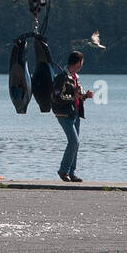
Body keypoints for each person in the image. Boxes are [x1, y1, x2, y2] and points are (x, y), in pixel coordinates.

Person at [53, 50, 93, 182]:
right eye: (82, 62)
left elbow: (79, 96)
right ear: (78, 62)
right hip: (64, 113)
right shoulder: (62, 77)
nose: (82, 65)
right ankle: (63, 171)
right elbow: (57, 96)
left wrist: (86, 96)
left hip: (75, 113)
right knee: (74, 142)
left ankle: (71, 172)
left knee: (76, 144)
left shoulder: (76, 77)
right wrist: (72, 98)